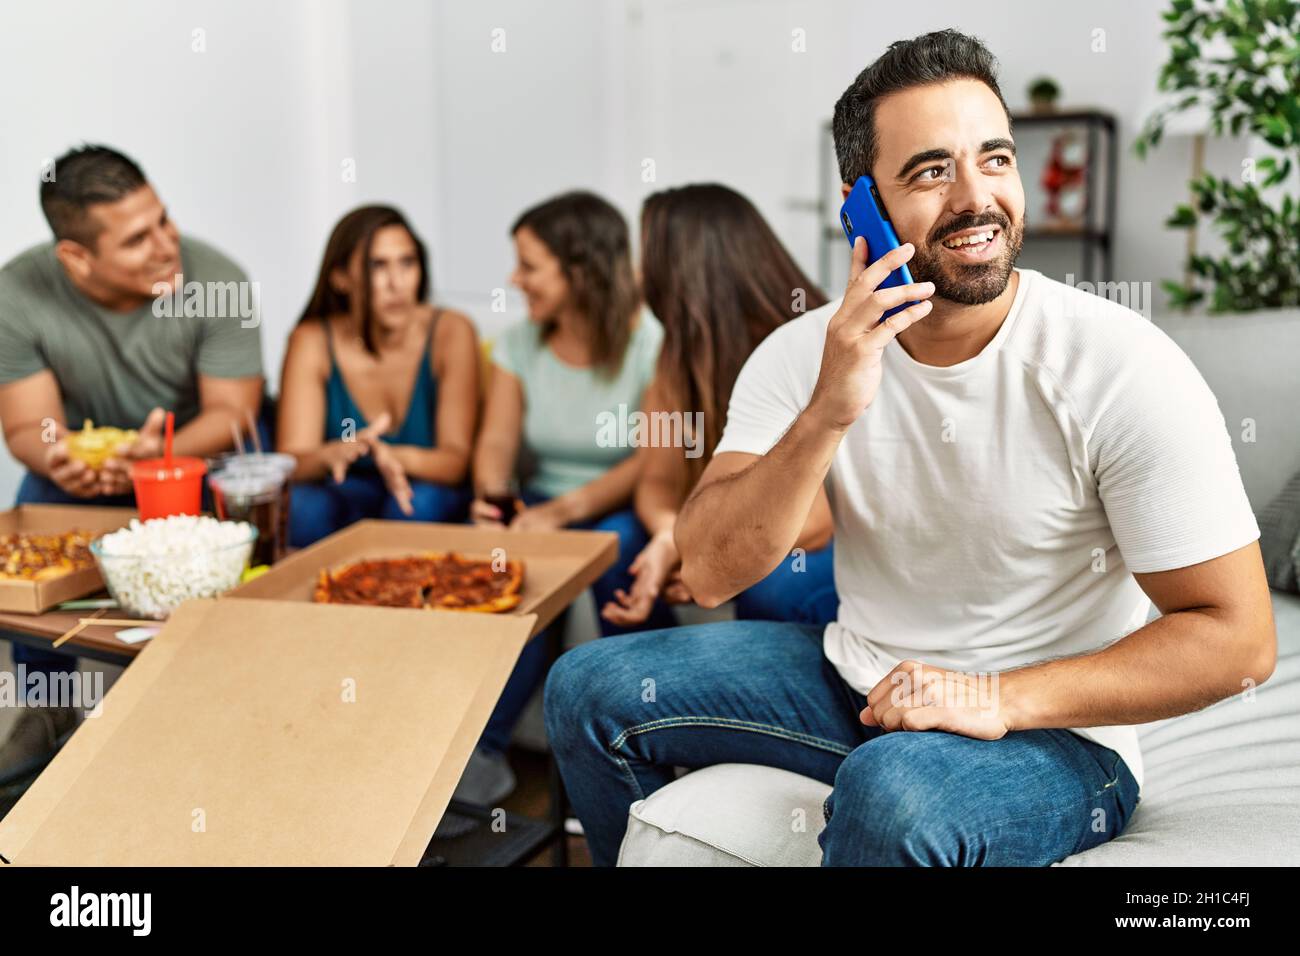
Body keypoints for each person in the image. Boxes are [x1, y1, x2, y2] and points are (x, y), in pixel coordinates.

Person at [544, 30, 1276, 866]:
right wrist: (829, 410)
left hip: (1059, 737)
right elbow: (709, 571)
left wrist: (993, 696)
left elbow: (1238, 637)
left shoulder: (1120, 365)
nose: (976, 198)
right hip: (855, 679)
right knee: (589, 689)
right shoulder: (802, 355)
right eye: (931, 171)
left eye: (994, 159)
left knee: (893, 790)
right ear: (863, 203)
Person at [0, 145, 264, 777]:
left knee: (258, 515)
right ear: (76, 257)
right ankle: (47, 703)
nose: (167, 244)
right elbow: (27, 425)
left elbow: (233, 414)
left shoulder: (218, 280)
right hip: (100, 468)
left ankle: (227, 705)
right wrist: (59, 456)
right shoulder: (16, 293)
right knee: (33, 505)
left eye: (164, 220)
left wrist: (162, 453)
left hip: (197, 459)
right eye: (137, 239)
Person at [459, 191, 667, 804]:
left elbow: (652, 459)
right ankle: (482, 753)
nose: (514, 279)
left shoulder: (650, 340)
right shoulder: (521, 343)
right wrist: (492, 495)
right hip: (544, 497)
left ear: (579, 269)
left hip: (617, 502)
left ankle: (648, 738)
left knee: (618, 544)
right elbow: (496, 438)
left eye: (529, 265)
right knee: (512, 566)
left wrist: (565, 513)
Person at [601, 183, 838, 630]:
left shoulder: (814, 343)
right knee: (616, 544)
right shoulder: (678, 355)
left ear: (682, 270)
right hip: (730, 529)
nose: (637, 273)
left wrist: (712, 554)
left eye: (645, 257)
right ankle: (652, 686)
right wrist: (671, 538)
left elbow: (815, 523)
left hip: (835, 545)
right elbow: (656, 482)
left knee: (776, 585)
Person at [278, 206, 477, 546]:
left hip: (425, 492)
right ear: (341, 278)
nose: (396, 284)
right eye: (377, 266)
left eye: (407, 263)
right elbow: (292, 461)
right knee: (302, 508)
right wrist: (331, 455)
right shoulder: (311, 340)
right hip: (347, 491)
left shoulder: (451, 331)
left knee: (415, 505)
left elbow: (455, 462)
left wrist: (392, 457)